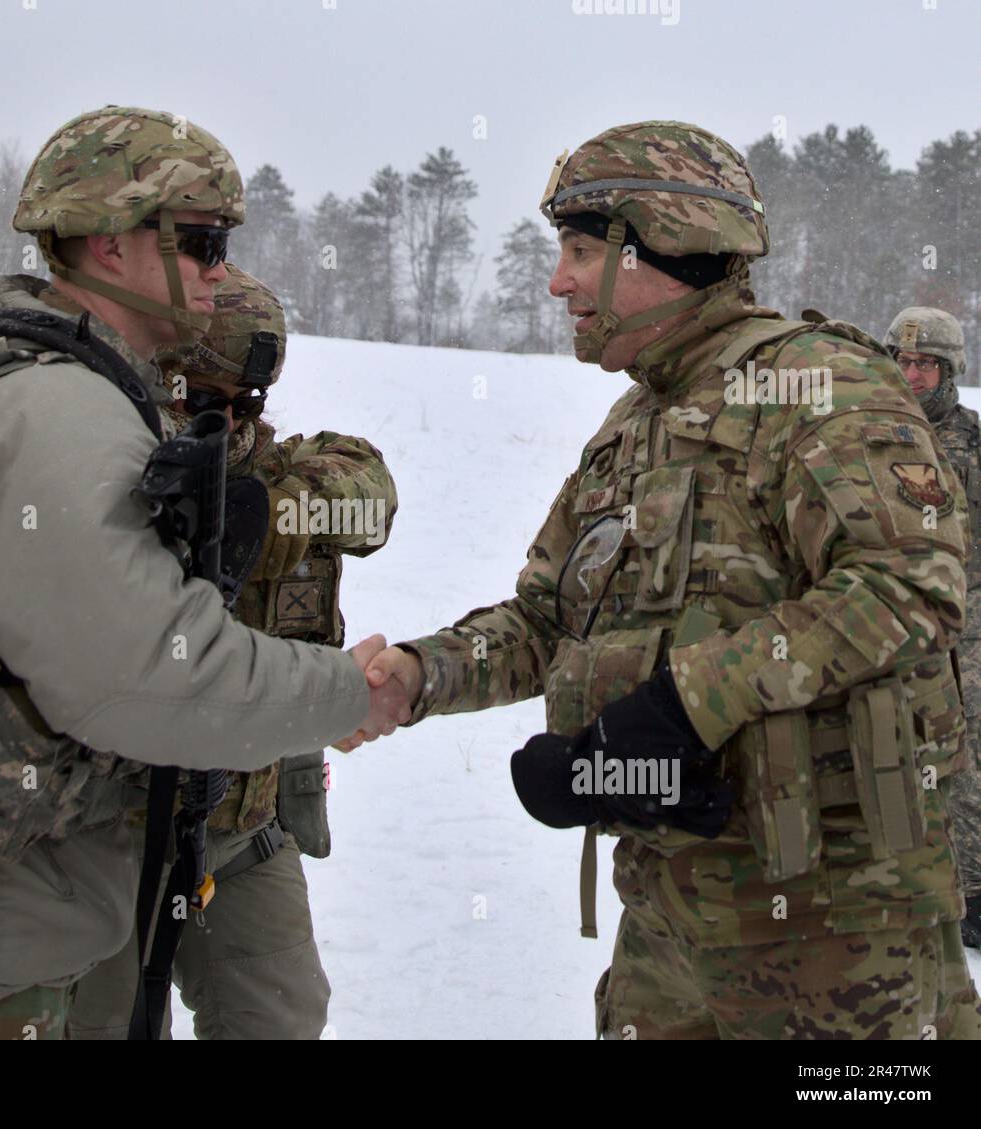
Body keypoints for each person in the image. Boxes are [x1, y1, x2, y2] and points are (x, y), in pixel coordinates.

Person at [350, 120, 981, 1039]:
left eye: (577, 252)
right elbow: (544, 617)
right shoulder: (634, 423)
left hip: (840, 931)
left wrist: (681, 706)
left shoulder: (815, 384)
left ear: (663, 245)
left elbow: (909, 585)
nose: (558, 281)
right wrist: (416, 673)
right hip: (669, 919)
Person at [0, 106, 397, 1040]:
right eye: (200, 242)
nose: (217, 267)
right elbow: (152, 677)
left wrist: (262, 507)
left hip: (10, 900)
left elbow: (364, 495)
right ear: (110, 244)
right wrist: (348, 694)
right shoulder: (60, 406)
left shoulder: (29, 378)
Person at [68, 263, 397, 1039]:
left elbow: (371, 496)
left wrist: (264, 517)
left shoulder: (288, 470)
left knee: (278, 1011)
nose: (227, 420)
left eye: (244, 403)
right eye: (199, 397)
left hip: (242, 826)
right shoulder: (101, 464)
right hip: (107, 833)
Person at [884, 306, 981, 948]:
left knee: (965, 748)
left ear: (949, 371)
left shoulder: (971, 440)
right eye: (905, 361)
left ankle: (969, 891)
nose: (913, 375)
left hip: (967, 623)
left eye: (926, 365)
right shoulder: (867, 431)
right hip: (887, 616)